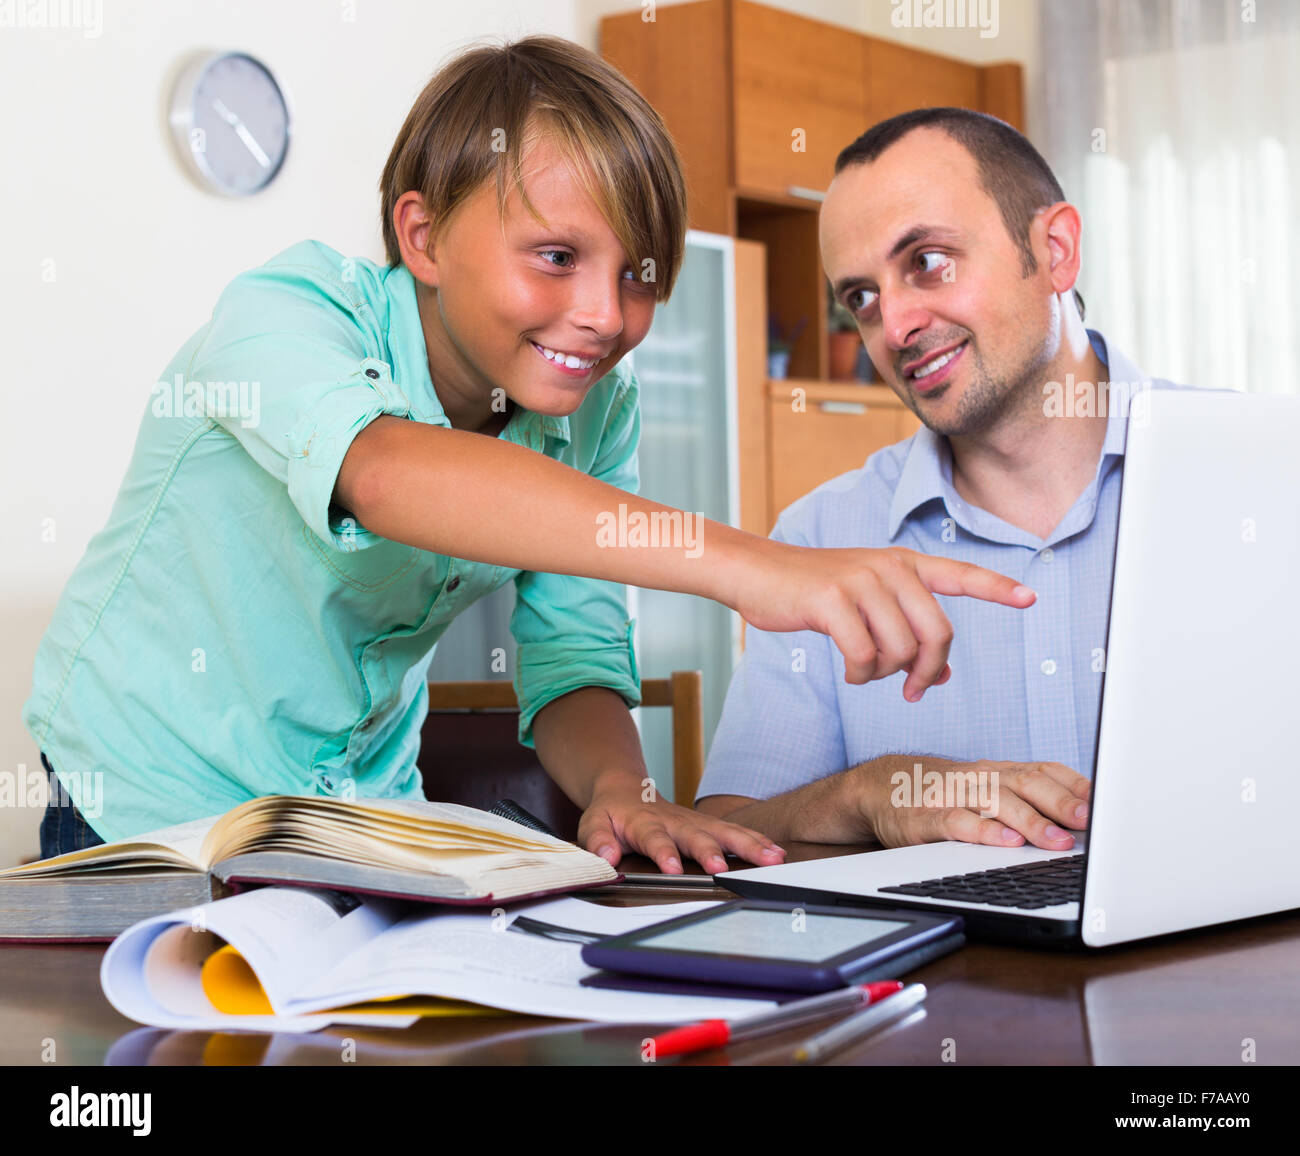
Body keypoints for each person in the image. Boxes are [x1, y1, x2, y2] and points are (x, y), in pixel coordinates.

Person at [24, 43, 1033, 869]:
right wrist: (750, 565)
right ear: (421, 236)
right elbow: (386, 474)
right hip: (143, 803)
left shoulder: (595, 414)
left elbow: (571, 657)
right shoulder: (288, 316)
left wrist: (621, 792)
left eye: (636, 275)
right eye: (555, 257)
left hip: (357, 820)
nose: (603, 316)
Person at [698, 107, 1180, 853]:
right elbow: (729, 830)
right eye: (860, 297)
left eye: (926, 261)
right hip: (951, 973)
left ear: (1054, 250)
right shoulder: (819, 540)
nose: (892, 328)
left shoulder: (1263, 481)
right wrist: (869, 790)